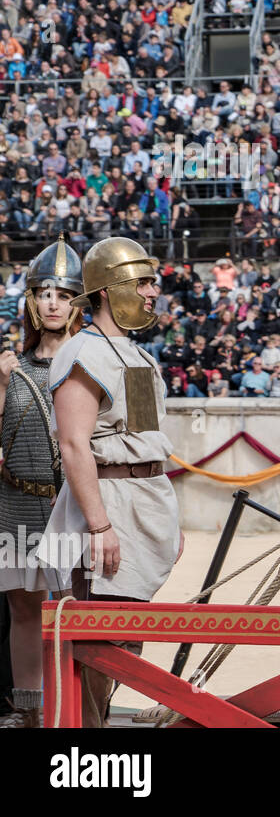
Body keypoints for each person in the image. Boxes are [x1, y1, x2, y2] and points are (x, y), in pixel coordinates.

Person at [36, 237, 182, 728]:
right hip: (106, 507)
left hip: (138, 505)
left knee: (123, 635)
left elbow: (143, 437)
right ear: (107, 290)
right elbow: (74, 445)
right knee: (96, 639)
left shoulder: (132, 354)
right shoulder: (82, 352)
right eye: (142, 283)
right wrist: (99, 526)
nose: (152, 292)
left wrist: (166, 518)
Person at [0, 238, 82, 728]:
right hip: (17, 503)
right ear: (31, 300)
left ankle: (72, 708)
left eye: (64, 295)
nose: (53, 303)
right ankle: (28, 710)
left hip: (70, 507)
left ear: (78, 304)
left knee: (74, 612)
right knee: (24, 611)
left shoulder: (88, 364)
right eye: (44, 293)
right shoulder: (10, 368)